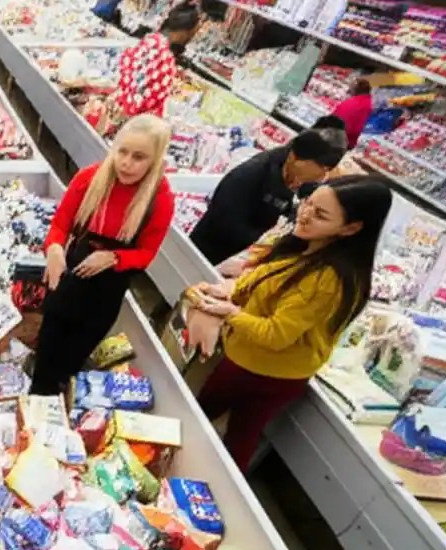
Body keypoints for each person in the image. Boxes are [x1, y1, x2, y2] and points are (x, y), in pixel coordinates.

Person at [189, 176, 393, 470]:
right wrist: (234, 290)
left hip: (264, 369)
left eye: (320, 214)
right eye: (308, 202)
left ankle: (211, 492)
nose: (305, 214)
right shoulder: (304, 246)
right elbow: (265, 281)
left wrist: (230, 312)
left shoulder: (326, 279)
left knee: (227, 429)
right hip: (252, 358)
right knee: (226, 425)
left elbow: (276, 335)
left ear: (351, 228)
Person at [31, 114, 176, 396]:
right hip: (70, 273)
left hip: (108, 289)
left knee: (77, 350)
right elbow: (60, 224)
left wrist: (113, 258)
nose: (126, 163)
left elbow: (146, 254)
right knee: (49, 341)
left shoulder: (160, 199)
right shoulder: (89, 178)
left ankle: (61, 390)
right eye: (122, 151)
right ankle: (38, 391)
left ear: (155, 161)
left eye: (139, 157)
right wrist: (55, 248)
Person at [189, 120, 348, 265]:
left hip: (251, 260)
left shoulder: (303, 179)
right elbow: (225, 224)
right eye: (323, 168)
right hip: (208, 256)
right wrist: (270, 241)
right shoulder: (250, 175)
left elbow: (293, 210)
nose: (323, 175)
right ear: (295, 158)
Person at [107, 2, 200, 128]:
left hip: (119, 108)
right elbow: (150, 102)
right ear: (184, 33)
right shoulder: (166, 58)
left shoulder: (150, 39)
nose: (190, 40)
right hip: (134, 124)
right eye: (192, 35)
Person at [331, 77, 374, 149]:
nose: (349, 90)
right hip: (348, 141)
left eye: (350, 88)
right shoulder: (369, 103)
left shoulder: (352, 103)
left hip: (340, 141)